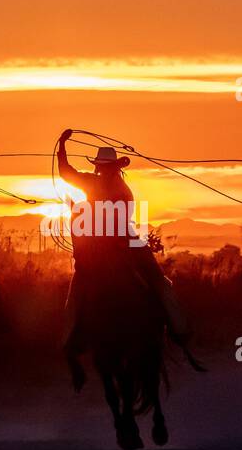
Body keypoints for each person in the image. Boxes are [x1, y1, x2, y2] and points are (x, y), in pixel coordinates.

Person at [56, 130, 189, 387]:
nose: (102, 171)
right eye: (101, 168)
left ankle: (71, 340)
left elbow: (67, 174)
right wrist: (62, 146)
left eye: (103, 167)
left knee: (155, 280)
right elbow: (67, 174)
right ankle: (178, 328)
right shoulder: (116, 187)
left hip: (116, 241)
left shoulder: (104, 186)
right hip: (124, 240)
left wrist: (63, 145)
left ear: (107, 167)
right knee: (157, 281)